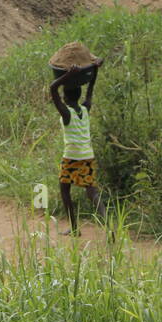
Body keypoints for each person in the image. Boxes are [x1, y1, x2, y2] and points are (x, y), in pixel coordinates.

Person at [49, 57, 106, 234]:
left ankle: (74, 228)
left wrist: (67, 76)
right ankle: (109, 226)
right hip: (87, 155)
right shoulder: (86, 109)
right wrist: (95, 70)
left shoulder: (67, 113)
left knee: (65, 189)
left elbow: (52, 88)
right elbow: (91, 88)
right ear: (78, 96)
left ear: (65, 97)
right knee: (93, 192)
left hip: (72, 156)